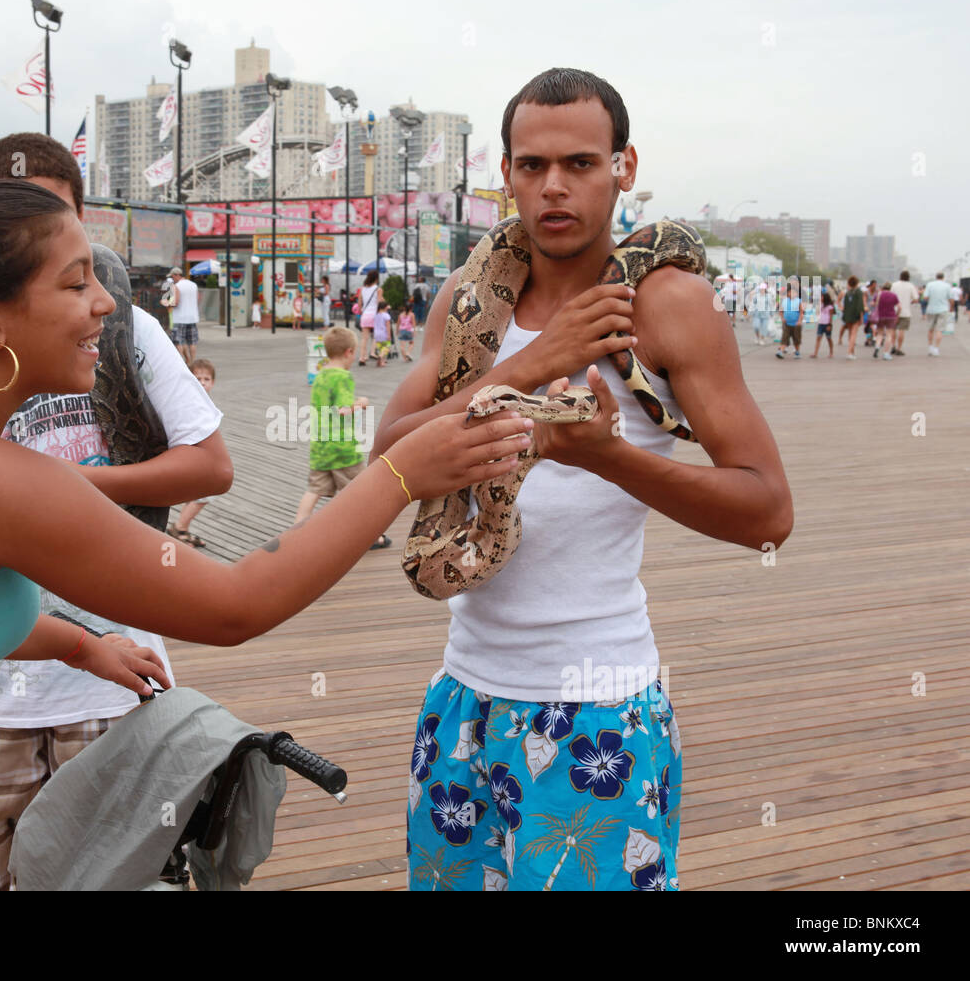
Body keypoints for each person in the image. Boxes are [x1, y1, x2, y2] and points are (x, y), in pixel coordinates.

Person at [0, 180, 533, 890]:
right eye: (75, 282)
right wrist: (399, 475)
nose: (105, 304)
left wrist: (78, 648)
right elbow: (235, 604)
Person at [371, 68, 792, 891]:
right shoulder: (466, 296)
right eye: (532, 166)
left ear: (624, 167)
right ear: (507, 174)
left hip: (598, 710)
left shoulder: (670, 304)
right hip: (462, 699)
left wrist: (607, 456)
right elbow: (387, 450)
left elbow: (768, 509)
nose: (554, 187)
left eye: (581, 163)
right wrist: (535, 362)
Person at [0, 132, 233, 891]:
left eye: (63, 219)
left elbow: (211, 464)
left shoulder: (123, 327)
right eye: (25, 217)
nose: (48, 239)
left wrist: (77, 491)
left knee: (118, 873)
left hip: (112, 675)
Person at [292, 326, 391, 547]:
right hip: (343, 448)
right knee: (362, 492)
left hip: (321, 446)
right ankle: (372, 536)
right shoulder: (343, 377)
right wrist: (362, 403)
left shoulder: (320, 376)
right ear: (348, 352)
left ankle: (295, 532)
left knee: (314, 490)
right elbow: (344, 409)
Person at [167, 359, 218, 549]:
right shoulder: (190, 404)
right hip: (191, 457)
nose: (203, 382)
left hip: (200, 457)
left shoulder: (205, 402)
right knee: (206, 494)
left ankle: (182, 528)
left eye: (207, 379)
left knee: (198, 495)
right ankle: (179, 528)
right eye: (198, 379)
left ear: (213, 382)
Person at [167, 267, 200, 364]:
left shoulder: (176, 286)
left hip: (179, 318)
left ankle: (181, 362)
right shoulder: (194, 285)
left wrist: (166, 303)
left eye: (172, 277)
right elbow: (197, 299)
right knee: (192, 342)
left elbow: (175, 302)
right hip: (192, 317)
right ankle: (192, 361)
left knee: (179, 341)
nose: (172, 279)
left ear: (176, 275)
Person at [922, 272, 953, 356]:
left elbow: (925, 297)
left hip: (931, 309)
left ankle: (930, 347)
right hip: (943, 309)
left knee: (930, 329)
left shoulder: (930, 285)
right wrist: (951, 308)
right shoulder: (947, 286)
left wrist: (931, 301)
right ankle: (936, 348)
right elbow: (951, 299)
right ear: (943, 277)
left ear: (936, 277)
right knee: (939, 330)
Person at [890, 271, 919, 357]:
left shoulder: (894, 285)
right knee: (901, 331)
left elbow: (890, 296)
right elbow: (916, 299)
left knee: (893, 330)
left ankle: (892, 346)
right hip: (905, 311)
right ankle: (899, 348)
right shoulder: (911, 286)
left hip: (894, 310)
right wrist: (910, 302)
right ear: (908, 277)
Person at [357, 271, 382, 365]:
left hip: (365, 314)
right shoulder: (378, 289)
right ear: (376, 278)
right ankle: (372, 352)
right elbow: (379, 302)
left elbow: (359, 303)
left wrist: (360, 311)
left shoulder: (362, 289)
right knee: (376, 335)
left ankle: (361, 357)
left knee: (364, 338)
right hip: (374, 314)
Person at [774, 279, 802, 359]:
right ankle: (781, 351)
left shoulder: (799, 301)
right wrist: (782, 318)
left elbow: (801, 312)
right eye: (790, 292)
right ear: (788, 293)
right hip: (787, 323)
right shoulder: (784, 301)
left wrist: (799, 321)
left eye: (794, 292)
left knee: (796, 339)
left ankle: (797, 352)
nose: (792, 294)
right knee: (784, 337)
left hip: (796, 324)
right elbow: (781, 311)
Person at [839, 275, 865, 359]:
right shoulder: (859, 292)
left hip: (847, 316)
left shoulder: (848, 292)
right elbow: (860, 305)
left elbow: (845, 305)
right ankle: (850, 352)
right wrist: (861, 317)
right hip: (855, 316)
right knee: (853, 334)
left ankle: (852, 352)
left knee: (850, 334)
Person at [873, 281, 899, 359]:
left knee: (880, 333)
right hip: (891, 316)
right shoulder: (893, 295)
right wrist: (897, 314)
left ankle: (877, 347)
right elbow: (899, 306)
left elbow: (873, 303)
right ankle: (886, 353)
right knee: (889, 335)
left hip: (880, 316)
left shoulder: (878, 294)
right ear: (890, 288)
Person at [810, 288, 835, 358]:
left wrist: (830, 325)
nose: (821, 298)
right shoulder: (821, 305)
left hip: (827, 324)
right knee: (818, 338)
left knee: (829, 338)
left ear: (825, 298)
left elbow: (831, 317)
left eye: (822, 297)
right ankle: (815, 353)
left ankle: (831, 352)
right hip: (820, 324)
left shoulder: (830, 307)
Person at [372, 298, 394, 367]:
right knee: (387, 347)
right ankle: (381, 357)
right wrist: (389, 335)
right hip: (384, 333)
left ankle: (382, 362)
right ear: (385, 307)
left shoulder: (376, 315)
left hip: (376, 334)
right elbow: (388, 326)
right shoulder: (386, 315)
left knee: (380, 348)